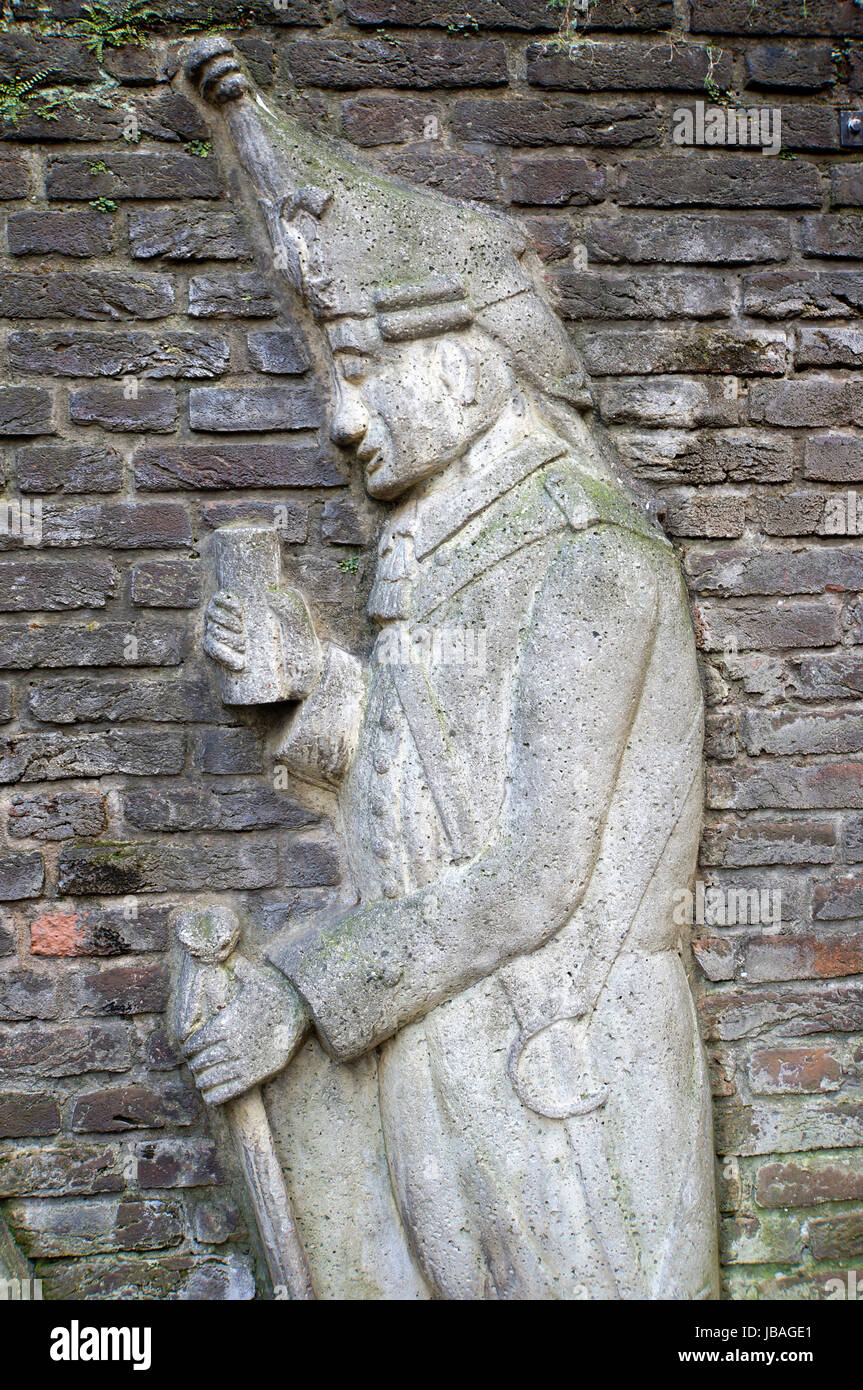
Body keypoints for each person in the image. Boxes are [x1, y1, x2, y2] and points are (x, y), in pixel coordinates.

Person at [181, 37, 719, 1301]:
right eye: (332, 373)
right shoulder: (443, 554)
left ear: (475, 348)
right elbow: (426, 779)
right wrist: (318, 685)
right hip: (444, 1045)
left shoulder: (588, 557)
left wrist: (305, 993)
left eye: (364, 366)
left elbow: (532, 873)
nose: (343, 416)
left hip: (560, 1070)